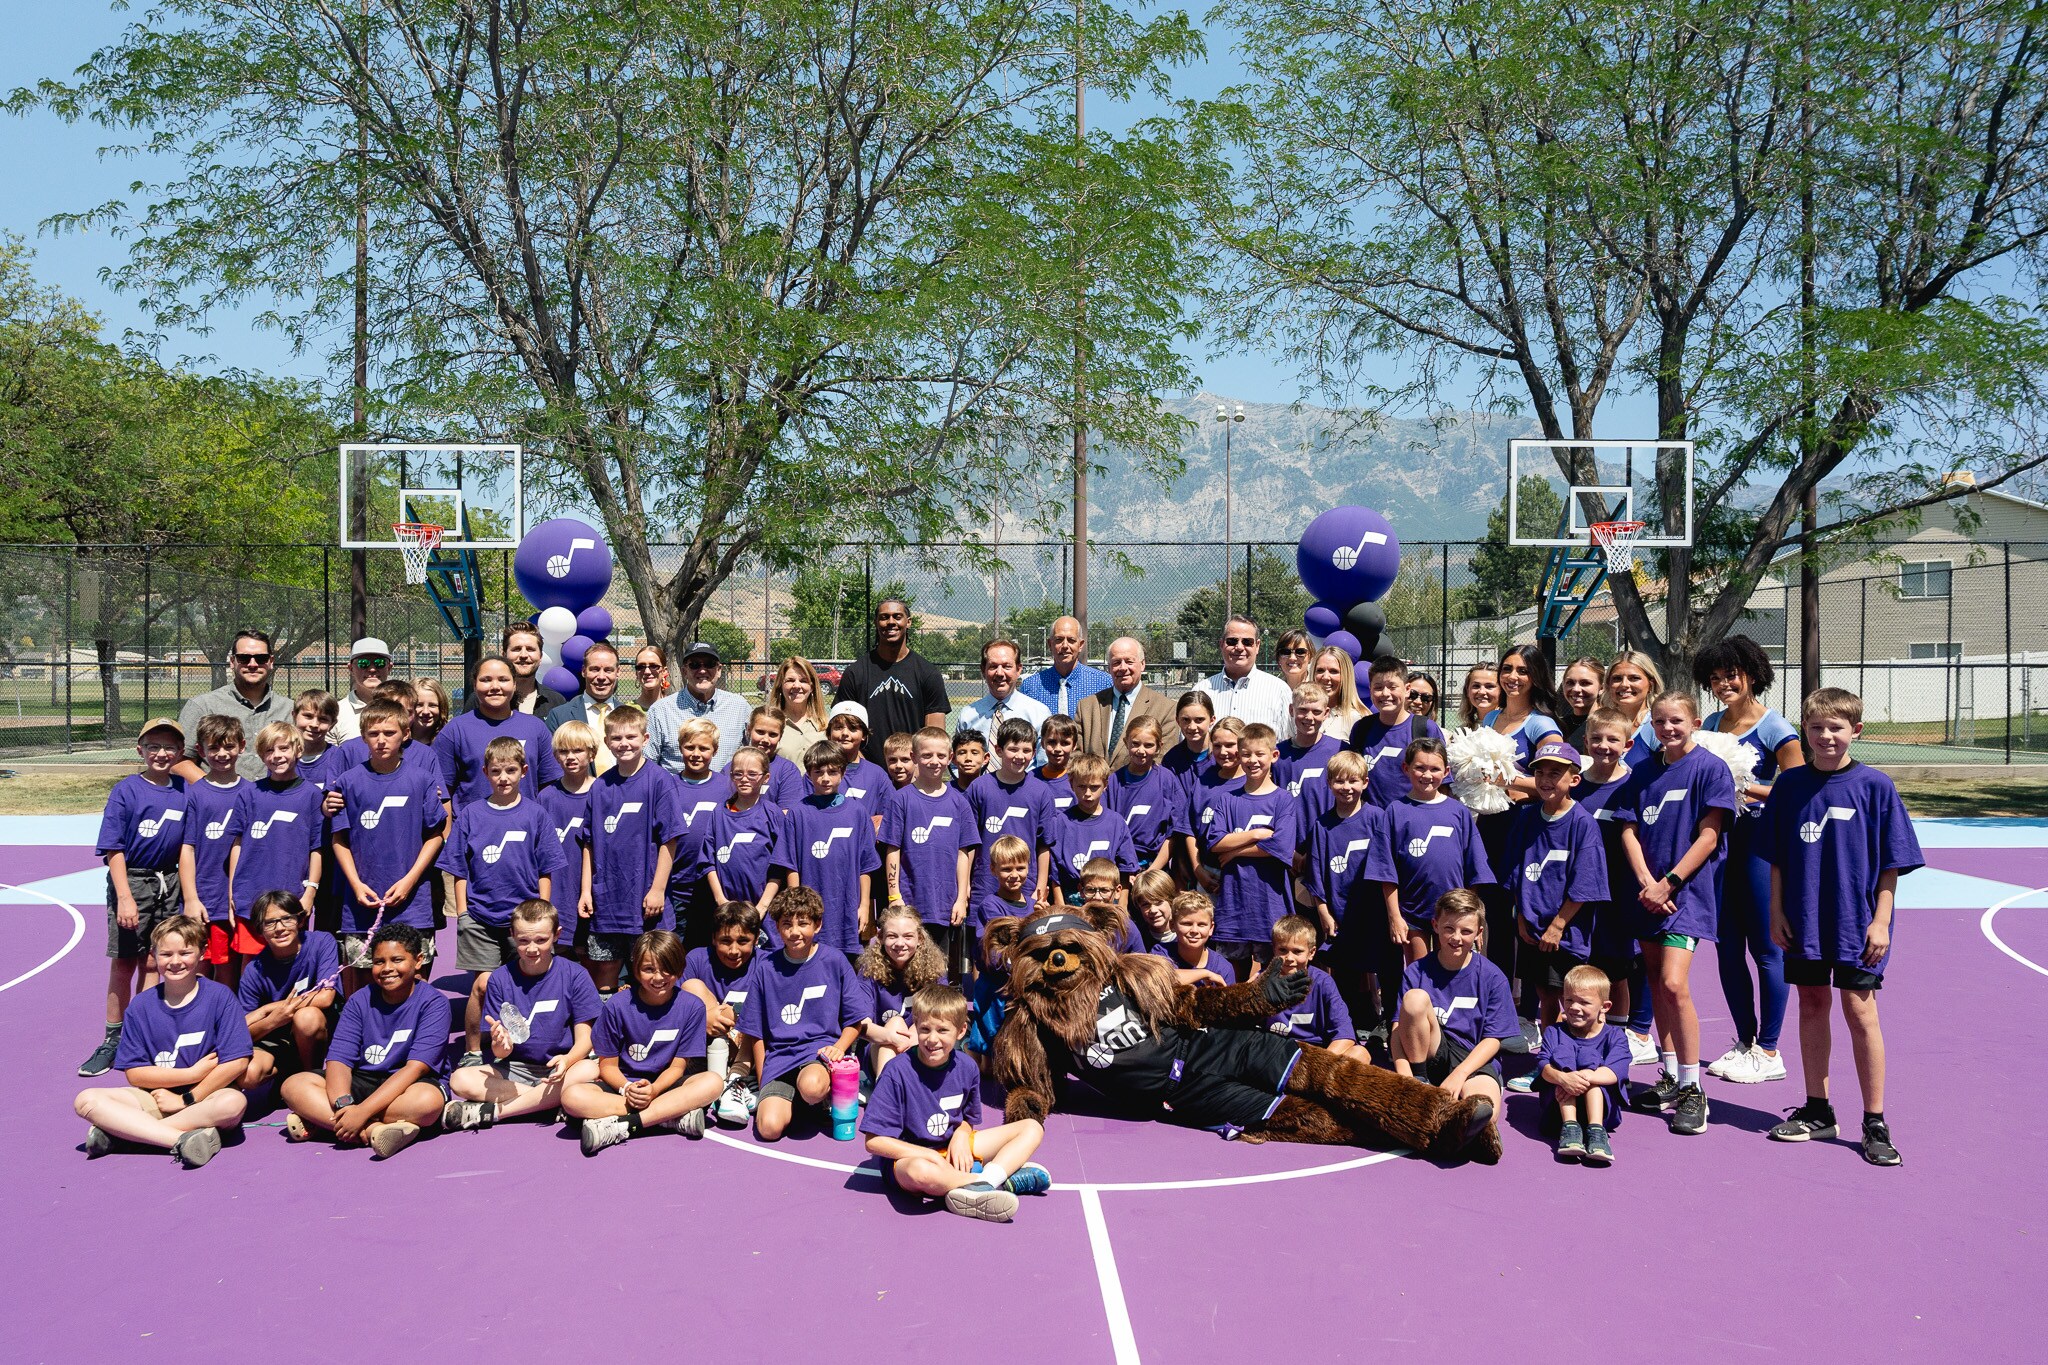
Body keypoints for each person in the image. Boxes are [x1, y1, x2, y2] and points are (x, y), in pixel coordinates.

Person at [1759, 687, 1922, 1166]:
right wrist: (1777, 910)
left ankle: (1874, 1120)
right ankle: (1817, 1110)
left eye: (1836, 727)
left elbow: (1892, 863)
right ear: (1804, 731)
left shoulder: (1876, 786)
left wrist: (1881, 922)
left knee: (1859, 1010)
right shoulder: (1789, 786)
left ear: (1856, 731)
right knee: (1811, 1003)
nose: (1826, 736)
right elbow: (1776, 860)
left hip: (1856, 923)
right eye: (1816, 728)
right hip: (1803, 918)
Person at [1614, 690, 1735, 1136]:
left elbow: (1709, 836)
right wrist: (1647, 882)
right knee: (1654, 981)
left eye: (1676, 721)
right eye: (1660, 722)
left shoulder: (1709, 769)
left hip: (1685, 897)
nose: (1668, 729)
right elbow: (1627, 827)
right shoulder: (1641, 772)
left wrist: (1671, 883)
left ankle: (1692, 1088)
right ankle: (1668, 1077)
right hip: (1647, 894)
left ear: (1695, 722)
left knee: (1672, 983)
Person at [1696, 634, 1803, 1086]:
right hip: (1717, 843)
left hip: (1760, 843)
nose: (1724, 684)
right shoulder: (1711, 725)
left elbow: (1798, 787)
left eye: (1731, 675)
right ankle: (1744, 1041)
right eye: (1716, 678)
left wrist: (1744, 788)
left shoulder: (1776, 727)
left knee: (1766, 947)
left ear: (1753, 674)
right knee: (1725, 948)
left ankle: (1771, 1048)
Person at [860, 983, 1049, 1222]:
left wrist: (961, 1135)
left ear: (961, 1031)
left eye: (942, 1030)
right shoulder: (896, 1072)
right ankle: (994, 1183)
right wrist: (925, 1155)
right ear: (915, 1026)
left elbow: (968, 1120)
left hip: (951, 1149)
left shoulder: (968, 1067)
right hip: (909, 1158)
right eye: (925, 1029)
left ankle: (980, 1184)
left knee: (1031, 1127)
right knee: (921, 1173)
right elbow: (874, 1142)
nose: (932, 1039)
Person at [73, 916, 250, 1168]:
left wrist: (187, 1098)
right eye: (166, 954)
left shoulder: (220, 997)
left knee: (233, 1104)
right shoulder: (140, 1006)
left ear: (202, 953)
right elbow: (135, 1074)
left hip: (206, 1097)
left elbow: (237, 1061)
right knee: (86, 1099)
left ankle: (125, 1135)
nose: (175, 961)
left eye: (185, 952)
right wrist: (190, 1073)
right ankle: (180, 1138)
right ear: (154, 955)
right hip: (154, 1097)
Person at [440, 735, 568, 1064]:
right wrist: (464, 914)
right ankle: (471, 1049)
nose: (503, 778)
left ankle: (522, 1049)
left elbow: (546, 869)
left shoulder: (536, 815)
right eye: (496, 771)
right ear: (485, 772)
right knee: (483, 985)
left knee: (525, 986)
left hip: (523, 923)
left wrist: (544, 913)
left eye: (510, 770)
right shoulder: (470, 815)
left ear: (524, 771)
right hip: (481, 919)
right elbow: (458, 869)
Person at [280, 923, 448, 1158]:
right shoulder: (359, 1000)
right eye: (379, 962)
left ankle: (326, 1121)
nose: (387, 968)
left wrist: (363, 1110)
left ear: (418, 961)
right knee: (293, 1085)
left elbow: (415, 1068)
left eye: (397, 960)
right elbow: (339, 1059)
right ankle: (374, 1131)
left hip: (408, 1084)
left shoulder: (434, 1003)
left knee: (427, 1104)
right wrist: (345, 1105)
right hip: (363, 1080)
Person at [81, 717, 190, 1078]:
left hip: (169, 883)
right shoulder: (126, 790)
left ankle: (140, 1031)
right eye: (154, 746)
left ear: (180, 752)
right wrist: (125, 896)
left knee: (155, 963)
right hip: (134, 883)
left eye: (170, 747)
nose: (162, 753)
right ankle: (113, 1038)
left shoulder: (184, 789)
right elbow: (113, 847)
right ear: (140, 750)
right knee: (126, 961)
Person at [443, 899, 602, 1132]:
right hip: (515, 1069)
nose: (532, 949)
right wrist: (501, 1045)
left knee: (589, 1069)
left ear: (556, 935)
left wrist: (567, 1060)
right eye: (523, 940)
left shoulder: (575, 974)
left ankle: (496, 1112)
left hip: (562, 1066)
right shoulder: (499, 979)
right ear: (512, 935)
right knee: (460, 1080)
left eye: (541, 940)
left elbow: (585, 1039)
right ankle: (550, 1103)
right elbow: (500, 1052)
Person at [568, 929, 725, 1153]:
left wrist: (654, 1090)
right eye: (649, 969)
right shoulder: (617, 1005)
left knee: (713, 1082)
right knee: (572, 1097)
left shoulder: (692, 1007)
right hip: (625, 1087)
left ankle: (623, 1125)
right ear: (636, 970)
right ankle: (668, 1118)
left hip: (666, 1087)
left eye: (667, 969)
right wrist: (627, 1088)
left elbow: (679, 1066)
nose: (659, 977)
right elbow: (607, 1066)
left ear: (680, 969)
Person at [329, 700, 450, 990]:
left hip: (412, 903)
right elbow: (339, 839)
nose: (381, 740)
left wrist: (409, 881)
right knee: (360, 978)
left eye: (389, 732)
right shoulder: (348, 782)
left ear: (405, 735)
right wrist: (356, 885)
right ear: (363, 736)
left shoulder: (421, 780)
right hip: (362, 903)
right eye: (373, 733)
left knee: (414, 977)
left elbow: (435, 835)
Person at [738, 887, 870, 1141]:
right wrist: (764, 1078)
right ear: (777, 927)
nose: (794, 931)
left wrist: (840, 1048)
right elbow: (755, 1032)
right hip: (779, 1058)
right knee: (768, 1129)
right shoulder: (766, 968)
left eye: (803, 923)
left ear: (817, 925)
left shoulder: (835, 961)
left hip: (817, 1054)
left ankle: (821, 1095)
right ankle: (797, 1100)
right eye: (786, 924)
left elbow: (855, 1020)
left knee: (811, 1087)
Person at [1502, 744, 1608, 1036]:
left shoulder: (1583, 823)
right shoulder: (1525, 818)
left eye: (1555, 773)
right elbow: (1514, 871)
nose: (1546, 780)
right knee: (1545, 997)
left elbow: (1586, 882)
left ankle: (1579, 1057)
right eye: (1540, 772)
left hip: (1565, 932)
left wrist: (1558, 925)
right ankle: (1549, 1058)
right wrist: (1521, 917)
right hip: (1532, 929)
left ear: (1574, 780)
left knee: (1572, 1000)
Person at [1569, 708, 1655, 1064]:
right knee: (1582, 965)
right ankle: (1580, 1039)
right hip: (1578, 894)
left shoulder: (1635, 784)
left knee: (1618, 970)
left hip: (1619, 894)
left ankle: (1620, 1042)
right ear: (1586, 742)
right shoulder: (1575, 784)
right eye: (1597, 739)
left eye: (1613, 740)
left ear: (1628, 744)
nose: (1604, 746)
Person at [1390, 889, 1511, 1139]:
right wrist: (1406, 1078)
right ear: (1435, 926)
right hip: (1428, 1054)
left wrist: (1460, 1075)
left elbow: (1493, 1039)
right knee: (1415, 999)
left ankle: (1448, 1124)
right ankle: (1423, 1084)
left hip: (1472, 1060)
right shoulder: (1416, 972)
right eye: (1448, 929)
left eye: (1466, 931)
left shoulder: (1493, 977)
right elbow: (1396, 1031)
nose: (1456, 938)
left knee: (1484, 1110)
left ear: (1479, 933)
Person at [582, 704, 685, 994]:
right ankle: (608, 1029)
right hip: (607, 901)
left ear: (646, 739)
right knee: (605, 970)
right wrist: (587, 891)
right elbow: (588, 843)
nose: (624, 743)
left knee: (652, 967)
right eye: (616, 738)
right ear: (606, 742)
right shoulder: (601, 786)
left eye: (631, 737)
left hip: (644, 901)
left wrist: (658, 889)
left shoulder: (659, 781)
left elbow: (670, 839)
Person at [1299, 749, 1396, 1026]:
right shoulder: (1322, 825)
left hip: (1376, 915)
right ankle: (1351, 1028)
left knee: (1388, 974)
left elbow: (1389, 868)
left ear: (1365, 782)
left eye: (1353, 781)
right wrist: (1324, 913)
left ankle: (1392, 1027)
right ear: (1330, 784)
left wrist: (1392, 915)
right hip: (1341, 917)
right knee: (1346, 976)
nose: (1347, 788)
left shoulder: (1378, 817)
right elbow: (1316, 874)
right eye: (1340, 781)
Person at [226, 721, 326, 988]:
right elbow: (237, 844)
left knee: (291, 963)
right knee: (252, 964)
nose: (277, 756)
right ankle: (251, 1023)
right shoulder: (249, 793)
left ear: (297, 750)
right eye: (269, 750)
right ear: (261, 756)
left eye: (283, 748)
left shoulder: (312, 796)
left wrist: (310, 892)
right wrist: (233, 892)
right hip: (251, 896)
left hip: (292, 897)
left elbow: (316, 849)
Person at [1385, 737, 1493, 978]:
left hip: (1455, 915)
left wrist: (1472, 918)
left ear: (1446, 772)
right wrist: (1395, 917)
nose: (1427, 775)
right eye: (1420, 768)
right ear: (1406, 769)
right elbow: (1385, 869)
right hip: (1412, 912)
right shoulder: (1395, 811)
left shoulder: (1458, 812)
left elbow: (1474, 868)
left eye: (1434, 769)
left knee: (1454, 970)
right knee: (1419, 973)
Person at [880, 726, 981, 969]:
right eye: (926, 755)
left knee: (940, 970)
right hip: (910, 903)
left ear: (950, 759)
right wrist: (895, 895)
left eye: (940, 756)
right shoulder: (901, 800)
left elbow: (963, 854)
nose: (934, 762)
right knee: (906, 967)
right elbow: (892, 850)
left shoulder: (959, 803)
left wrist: (960, 899)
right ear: (914, 758)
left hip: (946, 905)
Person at [1204, 723, 1298, 975]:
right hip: (1234, 904)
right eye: (1246, 754)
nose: (1252, 760)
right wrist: (1257, 834)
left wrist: (1234, 851)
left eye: (1259, 754)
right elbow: (1214, 842)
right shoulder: (1227, 799)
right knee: (1234, 978)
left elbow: (1281, 846)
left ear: (1274, 756)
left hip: (1270, 905)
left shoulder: (1283, 800)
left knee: (1274, 978)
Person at [774, 739, 882, 956]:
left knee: (848, 966)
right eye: (818, 772)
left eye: (832, 772)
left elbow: (866, 866)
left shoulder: (857, 813)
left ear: (842, 773)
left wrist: (864, 907)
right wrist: (797, 906)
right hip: (809, 911)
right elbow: (790, 865)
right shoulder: (798, 813)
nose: (825, 778)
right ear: (809, 774)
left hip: (847, 909)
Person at [235, 890, 340, 1090]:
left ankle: (311, 1078)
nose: (280, 928)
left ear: (300, 921)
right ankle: (287, 1073)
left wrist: (270, 1009)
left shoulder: (321, 942)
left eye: (286, 919)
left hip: (320, 1030)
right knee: (248, 1075)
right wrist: (273, 1020)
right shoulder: (254, 969)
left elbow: (326, 997)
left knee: (306, 1017)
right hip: (277, 1035)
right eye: (270, 922)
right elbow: (243, 1030)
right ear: (260, 929)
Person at [436, 655, 563, 809]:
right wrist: (451, 832)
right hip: (474, 831)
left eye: (503, 679)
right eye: (486, 680)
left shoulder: (536, 728)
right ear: (474, 685)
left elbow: (549, 787)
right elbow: (443, 793)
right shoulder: (455, 730)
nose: (495, 686)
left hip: (524, 829)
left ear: (515, 684)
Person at [835, 599, 950, 764]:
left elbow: (935, 736)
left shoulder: (928, 673)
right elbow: (842, 730)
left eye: (897, 617)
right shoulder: (856, 672)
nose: (890, 622)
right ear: (876, 622)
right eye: (884, 617)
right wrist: (868, 772)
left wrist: (917, 770)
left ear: (908, 622)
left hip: (913, 775)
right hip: (868, 775)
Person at [1537, 964, 1630, 1165]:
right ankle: (1570, 1128)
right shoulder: (1554, 1031)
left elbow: (1616, 1071)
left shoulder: (1615, 1036)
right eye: (1569, 1000)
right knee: (1563, 1056)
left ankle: (1596, 1131)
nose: (1573, 1007)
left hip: (1602, 1110)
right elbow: (1543, 1064)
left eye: (1584, 1002)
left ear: (1604, 1007)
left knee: (1591, 1063)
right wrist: (1564, 1078)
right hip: (1557, 1112)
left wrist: (1582, 1078)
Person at [176, 628, 295, 781]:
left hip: (275, 800)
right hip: (220, 803)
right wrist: (218, 791)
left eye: (261, 658)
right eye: (244, 658)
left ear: (271, 662)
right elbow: (180, 761)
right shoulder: (203, 706)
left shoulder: (290, 709)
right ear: (232, 662)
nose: (253, 664)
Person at [685, 901, 764, 1126]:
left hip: (750, 1049)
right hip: (708, 1049)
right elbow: (677, 1008)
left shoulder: (767, 963)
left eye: (743, 941)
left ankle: (737, 1080)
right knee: (691, 986)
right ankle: (726, 1084)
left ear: (756, 939)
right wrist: (704, 1017)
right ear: (713, 938)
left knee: (757, 1009)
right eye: (725, 941)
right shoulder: (697, 959)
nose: (733, 950)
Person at [966, 717, 1057, 911]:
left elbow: (1044, 844)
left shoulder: (1041, 792)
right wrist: (965, 884)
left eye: (1026, 751)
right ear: (999, 750)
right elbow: (968, 843)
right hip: (985, 886)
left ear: (1034, 753)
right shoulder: (979, 788)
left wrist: (1040, 886)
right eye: (1013, 749)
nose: (1019, 756)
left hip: (1026, 887)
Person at [666, 716, 736, 948]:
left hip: (713, 887)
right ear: (680, 748)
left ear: (715, 751)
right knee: (677, 949)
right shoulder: (667, 786)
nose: (696, 754)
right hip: (676, 886)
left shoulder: (726, 787)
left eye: (703, 748)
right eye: (690, 747)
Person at [857, 902, 948, 1075]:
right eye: (892, 936)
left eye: (908, 936)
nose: (900, 943)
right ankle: (887, 1094)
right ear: (880, 937)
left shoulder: (934, 970)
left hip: (922, 1042)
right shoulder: (868, 971)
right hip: (880, 1047)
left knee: (925, 1025)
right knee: (896, 1023)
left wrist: (912, 1036)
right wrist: (893, 1037)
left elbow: (941, 1015)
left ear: (920, 939)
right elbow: (862, 1024)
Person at [1349, 657, 1446, 809]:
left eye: (1392, 687)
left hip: (1413, 820)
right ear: (1370, 690)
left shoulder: (1425, 728)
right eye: (1378, 687)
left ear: (1407, 689)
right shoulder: (1361, 729)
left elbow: (1443, 783)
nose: (1385, 693)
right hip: (1372, 824)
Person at [1044, 753, 1140, 906]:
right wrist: (1060, 905)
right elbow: (1055, 872)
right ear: (1071, 784)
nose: (1088, 794)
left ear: (1105, 785)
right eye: (1082, 786)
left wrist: (1122, 906)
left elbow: (1126, 868)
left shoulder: (1116, 823)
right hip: (1071, 901)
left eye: (1094, 787)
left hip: (1106, 901)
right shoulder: (1061, 822)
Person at [539, 720, 601, 959]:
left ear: (592, 753)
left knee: (590, 956)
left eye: (577, 750)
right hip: (559, 889)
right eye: (563, 751)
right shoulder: (546, 797)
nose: (570, 757)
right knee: (560, 952)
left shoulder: (603, 791)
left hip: (591, 889)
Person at [703, 747, 783, 923]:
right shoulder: (718, 813)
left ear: (766, 778)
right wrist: (721, 901)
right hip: (726, 909)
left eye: (752, 774)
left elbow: (780, 864)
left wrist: (762, 906)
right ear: (731, 776)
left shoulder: (772, 814)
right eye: (738, 774)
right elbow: (708, 862)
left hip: (763, 910)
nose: (744, 779)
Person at [1260, 915, 1357, 1056]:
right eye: (1282, 950)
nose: (1289, 958)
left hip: (1316, 1055)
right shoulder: (1263, 980)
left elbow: (1345, 1036)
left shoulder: (1323, 982)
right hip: (1275, 1054)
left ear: (1311, 953)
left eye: (1297, 951)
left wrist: (1318, 1065)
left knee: (1360, 1053)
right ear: (1274, 950)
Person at [1075, 637, 1175, 769]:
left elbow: (1162, 759)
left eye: (1129, 661)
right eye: (1116, 662)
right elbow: (1075, 753)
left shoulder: (1166, 709)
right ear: (1109, 668)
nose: (1123, 668)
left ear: (1142, 664)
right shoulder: (1087, 706)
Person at [651, 640, 751, 773]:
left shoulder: (740, 708)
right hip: (676, 791)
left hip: (727, 792)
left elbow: (755, 754)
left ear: (719, 670)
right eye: (694, 665)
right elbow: (648, 763)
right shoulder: (661, 711)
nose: (702, 670)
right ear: (684, 671)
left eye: (709, 664)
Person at [1106, 716, 1186, 876]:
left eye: (1148, 745)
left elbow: (1174, 833)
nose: (1141, 751)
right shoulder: (1114, 781)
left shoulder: (1167, 780)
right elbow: (1107, 828)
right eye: (1135, 744)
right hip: (1119, 866)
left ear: (1159, 746)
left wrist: (1152, 870)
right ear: (1125, 742)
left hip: (1155, 867)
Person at [1183, 716, 1247, 895]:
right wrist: (1198, 870)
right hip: (1208, 874)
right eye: (1217, 745)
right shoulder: (1204, 782)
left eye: (1230, 745)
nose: (1223, 751)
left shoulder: (1254, 782)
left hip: (1244, 873)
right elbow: (1189, 830)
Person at [953, 638, 1051, 752]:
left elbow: (1043, 763)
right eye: (993, 666)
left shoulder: (1038, 713)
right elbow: (957, 763)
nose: (1000, 673)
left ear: (1019, 669)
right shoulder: (968, 715)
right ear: (983, 670)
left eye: (1007, 666)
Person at [1197, 615, 1293, 732]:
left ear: (1257, 646)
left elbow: (1290, 740)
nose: (1239, 647)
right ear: (1221, 644)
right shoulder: (1201, 690)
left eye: (1247, 642)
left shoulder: (1279, 691)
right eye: (1232, 641)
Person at [544, 642, 623, 774]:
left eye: (608, 670)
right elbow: (551, 766)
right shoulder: (559, 716)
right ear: (583, 671)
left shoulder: (629, 715)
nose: (601, 677)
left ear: (618, 672)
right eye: (595, 669)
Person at [466, 623, 567, 717]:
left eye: (530, 649)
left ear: (540, 657)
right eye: (517, 649)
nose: (523, 655)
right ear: (504, 656)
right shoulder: (480, 700)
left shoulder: (555, 701)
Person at [1018, 615, 1111, 717]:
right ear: (1050, 644)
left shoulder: (1103, 684)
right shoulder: (1030, 687)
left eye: (1071, 640)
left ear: (1080, 645)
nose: (1065, 646)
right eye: (1059, 639)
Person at [1275, 683, 1341, 817]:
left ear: (1326, 713)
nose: (1309, 717)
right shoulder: (1276, 755)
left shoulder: (1340, 750)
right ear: (1291, 710)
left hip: (1327, 833)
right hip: (1289, 833)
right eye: (1303, 710)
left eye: (1316, 712)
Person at [1152, 890, 1234, 985]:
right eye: (1187, 924)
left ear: (1211, 928)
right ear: (1172, 925)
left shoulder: (1223, 968)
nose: (1194, 930)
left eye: (1201, 924)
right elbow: (1159, 978)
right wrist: (1204, 973)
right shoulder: (1161, 953)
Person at [1603, 650, 1665, 765]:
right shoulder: (1600, 723)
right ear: (1608, 684)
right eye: (1617, 678)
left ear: (1651, 685)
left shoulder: (1657, 725)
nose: (1624, 684)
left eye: (1634, 678)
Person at [328, 637, 395, 742]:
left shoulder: (403, 707)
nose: (372, 669)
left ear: (389, 667)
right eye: (363, 663)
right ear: (351, 668)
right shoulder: (337, 713)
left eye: (380, 663)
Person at [769, 655, 830, 765]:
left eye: (803, 681)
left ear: (812, 687)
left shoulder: (825, 726)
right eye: (790, 680)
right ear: (780, 686)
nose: (797, 685)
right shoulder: (771, 725)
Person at [1313, 645, 1367, 741]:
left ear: (1346, 676)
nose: (1325, 677)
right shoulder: (1300, 713)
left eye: (1333, 671)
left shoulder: (1357, 718)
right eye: (1320, 670)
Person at [292, 689, 342, 790]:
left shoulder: (339, 758)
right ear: (294, 716)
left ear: (332, 724)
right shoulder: (282, 757)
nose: (314, 724)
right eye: (308, 716)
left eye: (323, 719)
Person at [1557, 657, 1606, 751]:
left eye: (1585, 683)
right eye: (1570, 683)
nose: (1576, 689)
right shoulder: (1558, 726)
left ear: (1601, 688)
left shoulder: (1611, 723)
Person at [1033, 713, 1080, 810]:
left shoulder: (1080, 779)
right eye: (1052, 742)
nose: (1058, 749)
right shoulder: (1031, 779)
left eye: (1065, 743)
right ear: (1042, 743)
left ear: (1074, 745)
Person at [1127, 867, 1178, 951]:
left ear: (1171, 901)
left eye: (1158, 902)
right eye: (1145, 904)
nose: (1153, 910)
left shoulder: (1186, 932)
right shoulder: (1138, 937)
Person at [410, 677, 453, 748]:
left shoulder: (447, 742)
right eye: (419, 705)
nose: (426, 711)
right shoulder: (398, 743)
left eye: (432, 705)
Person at [1456, 663, 1500, 731]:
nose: (1481, 691)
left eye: (1489, 686)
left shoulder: (1511, 727)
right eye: (1476, 686)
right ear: (1467, 691)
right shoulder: (1462, 732)